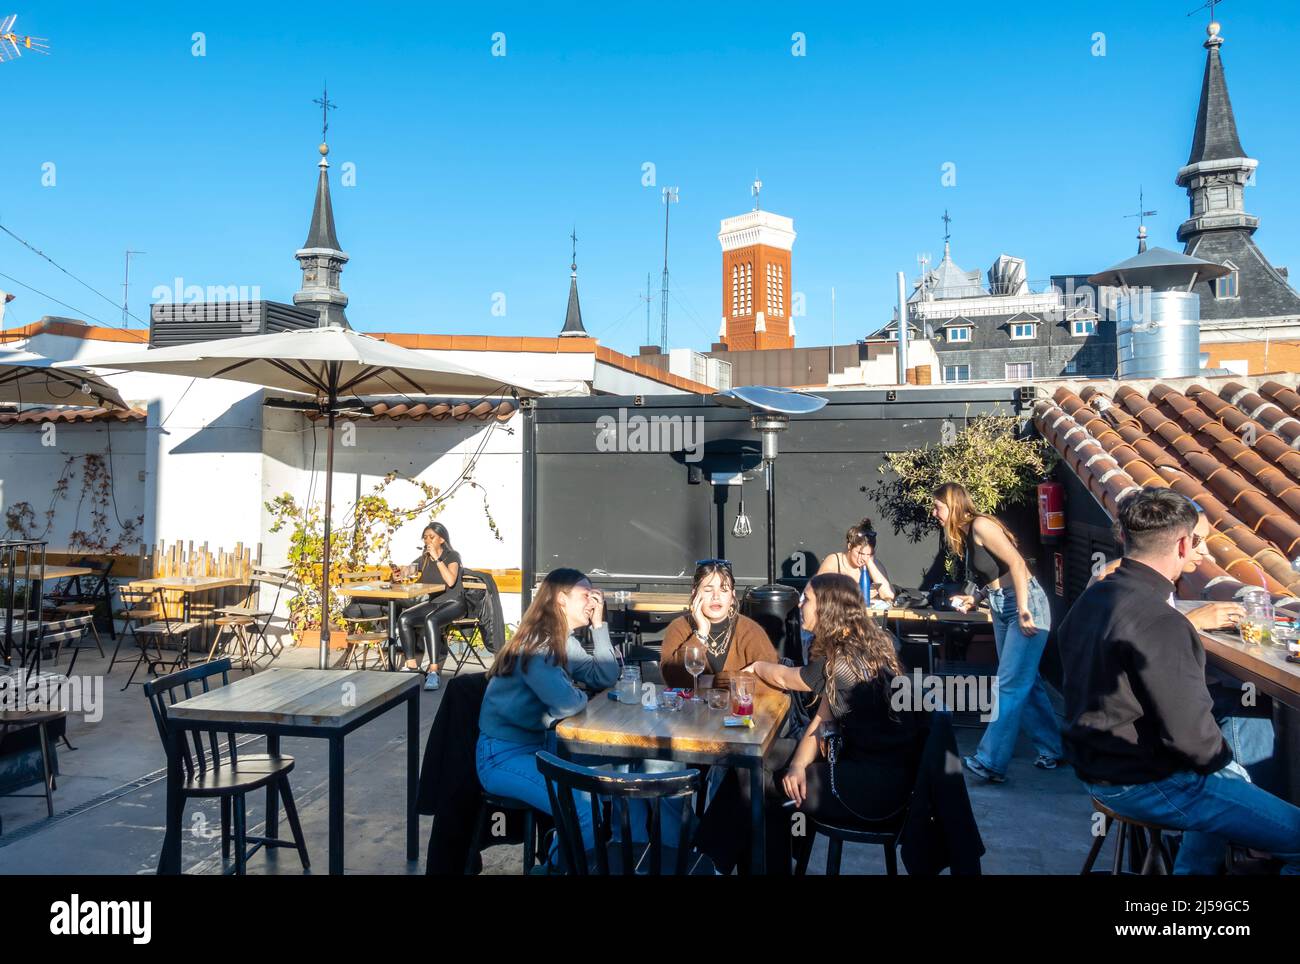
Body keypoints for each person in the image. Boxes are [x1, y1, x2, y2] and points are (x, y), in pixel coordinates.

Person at [1058, 485, 1300, 874]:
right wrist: (1237, 783)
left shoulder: (1095, 597)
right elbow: (1192, 743)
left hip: (1096, 767)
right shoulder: (1161, 621)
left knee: (1229, 786)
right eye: (1200, 543)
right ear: (1184, 545)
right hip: (1142, 783)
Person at [696, 573, 922, 873]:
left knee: (753, 779)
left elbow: (787, 679)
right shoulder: (865, 645)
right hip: (882, 776)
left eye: (807, 599)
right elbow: (822, 721)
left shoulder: (842, 662)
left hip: (872, 791)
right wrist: (798, 765)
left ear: (827, 609)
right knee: (755, 762)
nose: (799, 604)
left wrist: (759, 666)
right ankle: (732, 862)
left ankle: (708, 860)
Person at [1085, 501, 1276, 791]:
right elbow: (1139, 647)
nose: (1205, 552)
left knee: (1244, 700)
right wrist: (1192, 622)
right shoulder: (1118, 580)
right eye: (1198, 540)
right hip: (1141, 732)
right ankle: (1242, 798)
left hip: (1124, 727)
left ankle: (1232, 806)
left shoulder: (1136, 578)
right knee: (1248, 706)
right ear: (1176, 541)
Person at [476, 568, 620, 863]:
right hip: (503, 755)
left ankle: (610, 855)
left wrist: (599, 625)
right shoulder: (537, 646)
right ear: (560, 599)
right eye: (586, 595)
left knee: (626, 767)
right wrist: (579, 693)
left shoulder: (562, 640)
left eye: (595, 596)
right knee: (583, 805)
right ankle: (558, 865)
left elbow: (604, 675)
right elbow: (567, 704)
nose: (593, 601)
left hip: (544, 747)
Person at [931, 482, 1063, 783]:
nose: (934, 513)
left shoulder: (981, 525)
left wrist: (1025, 608)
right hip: (1002, 605)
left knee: (1009, 684)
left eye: (938, 506)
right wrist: (974, 598)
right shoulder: (965, 534)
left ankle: (990, 761)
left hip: (1023, 605)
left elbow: (1017, 563)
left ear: (953, 504)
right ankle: (1052, 749)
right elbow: (994, 575)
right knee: (1026, 682)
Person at [659, 560, 778, 692]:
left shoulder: (750, 630)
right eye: (708, 590)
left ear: (732, 597)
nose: (716, 596)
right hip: (693, 711)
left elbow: (770, 681)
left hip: (740, 711)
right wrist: (701, 634)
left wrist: (715, 681)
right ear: (694, 594)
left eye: (724, 590)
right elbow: (673, 678)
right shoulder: (680, 627)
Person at [396, 522, 466, 691]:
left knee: (431, 620)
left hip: (454, 602)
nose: (427, 540)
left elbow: (450, 580)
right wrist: (399, 573)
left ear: (441, 539)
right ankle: (411, 664)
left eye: (431, 537)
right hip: (434, 602)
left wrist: (438, 559)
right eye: (425, 537)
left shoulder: (452, 556)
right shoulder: (424, 559)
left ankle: (433, 671)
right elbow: (407, 572)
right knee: (405, 618)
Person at [816, 518, 896, 605]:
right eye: (860, 553)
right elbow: (818, 590)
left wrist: (870, 564)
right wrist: (855, 594)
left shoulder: (872, 564)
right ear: (850, 546)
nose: (863, 558)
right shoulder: (834, 561)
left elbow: (889, 595)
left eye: (869, 554)